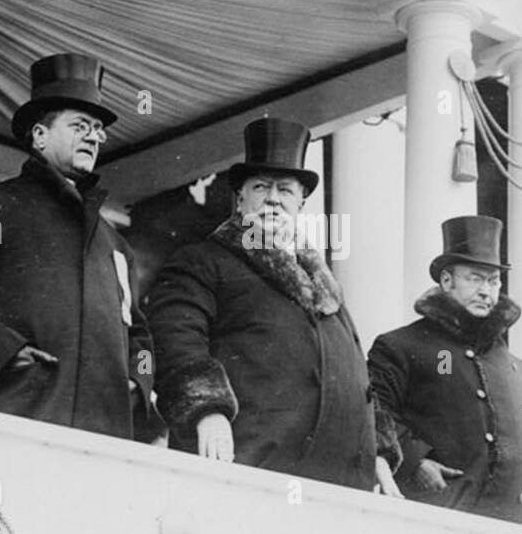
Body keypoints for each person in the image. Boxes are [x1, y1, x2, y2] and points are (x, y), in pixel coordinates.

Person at [0, 52, 153, 437]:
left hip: (106, 443)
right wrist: (8, 353)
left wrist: (138, 383)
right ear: (39, 135)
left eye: (97, 129)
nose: (93, 136)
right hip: (18, 426)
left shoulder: (116, 245)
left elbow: (139, 334)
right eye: (79, 125)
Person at [147, 118, 389, 492]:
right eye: (261, 187)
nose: (273, 198)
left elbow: (362, 382)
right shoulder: (203, 262)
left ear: (300, 203)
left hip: (339, 485)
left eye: (285, 190)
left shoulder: (327, 290)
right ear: (240, 198)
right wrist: (206, 410)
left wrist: (378, 455)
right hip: (246, 469)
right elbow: (176, 339)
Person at [368, 215, 522, 524]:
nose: (487, 291)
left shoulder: (516, 367)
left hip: (511, 530)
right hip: (434, 524)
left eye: (494, 281)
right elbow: (374, 412)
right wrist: (414, 461)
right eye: (475, 278)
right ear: (447, 281)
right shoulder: (400, 347)